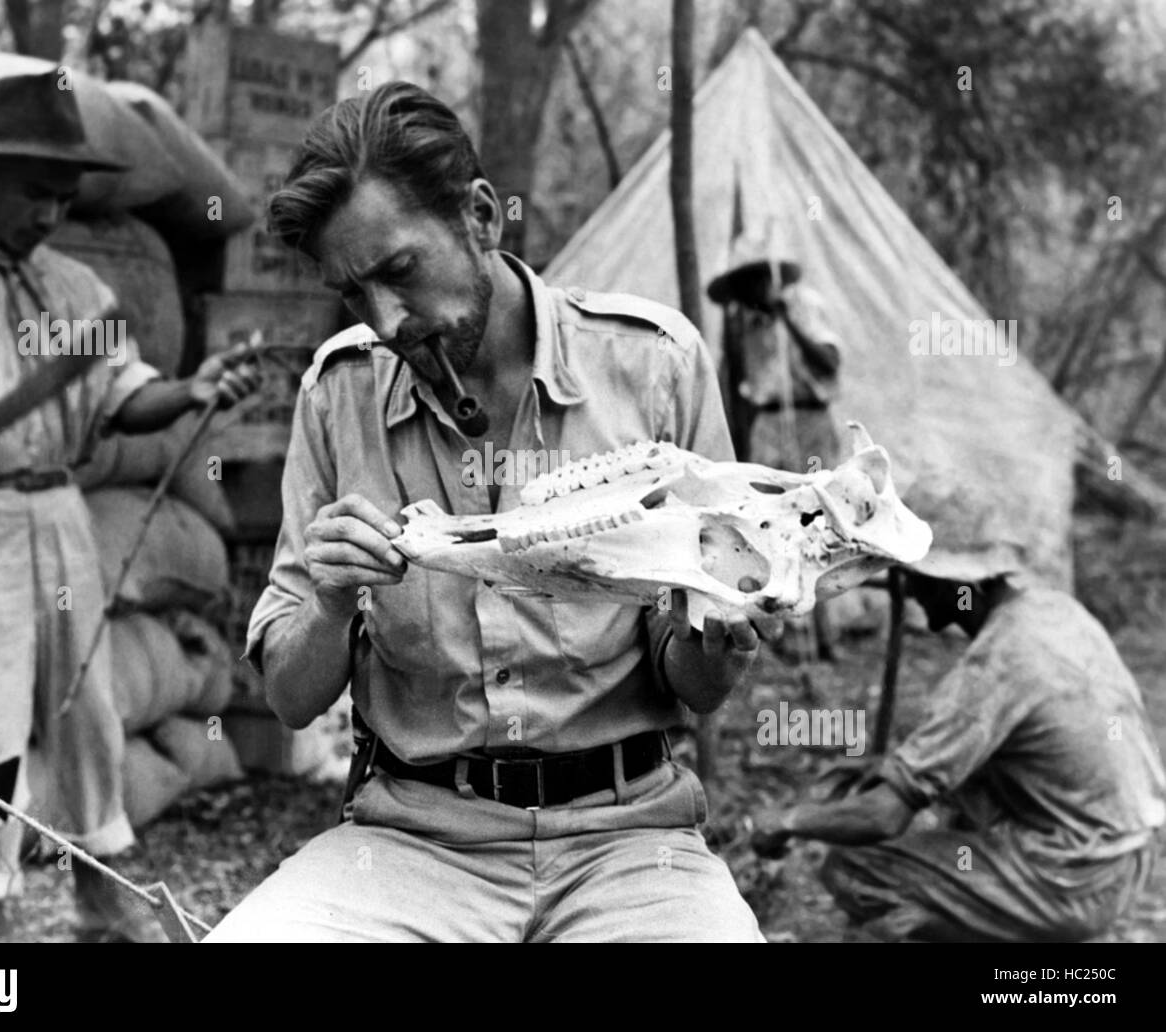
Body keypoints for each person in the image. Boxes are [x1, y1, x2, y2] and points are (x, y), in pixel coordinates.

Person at [205, 81, 778, 943]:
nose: (386, 320)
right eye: (353, 294)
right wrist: (328, 602)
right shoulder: (339, 393)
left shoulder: (654, 367)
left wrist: (719, 638)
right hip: (412, 843)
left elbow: (692, 679)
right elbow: (289, 700)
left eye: (399, 272)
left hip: (629, 845)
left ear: (481, 217)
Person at [0, 72, 259, 942]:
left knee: (86, 712)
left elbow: (128, 398)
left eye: (63, 197)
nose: (49, 214)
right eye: (34, 195)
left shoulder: (77, 292)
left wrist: (196, 391)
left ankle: (95, 891)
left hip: (60, 517)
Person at [750, 552, 1166, 942]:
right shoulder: (1054, 611)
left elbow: (883, 819)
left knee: (855, 871)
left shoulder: (993, 666)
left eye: (920, 580)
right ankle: (991, 914)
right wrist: (896, 766)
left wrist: (786, 821)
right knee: (963, 797)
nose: (911, 591)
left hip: (1074, 878)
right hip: (1134, 855)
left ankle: (976, 931)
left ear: (962, 585)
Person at [707, 238, 842, 660]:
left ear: (770, 278)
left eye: (755, 282)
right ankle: (781, 631)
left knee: (818, 523)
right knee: (771, 527)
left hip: (810, 418)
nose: (751, 293)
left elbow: (830, 362)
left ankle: (825, 634)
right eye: (742, 287)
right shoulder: (740, 324)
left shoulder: (804, 305)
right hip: (767, 423)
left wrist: (790, 324)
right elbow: (737, 384)